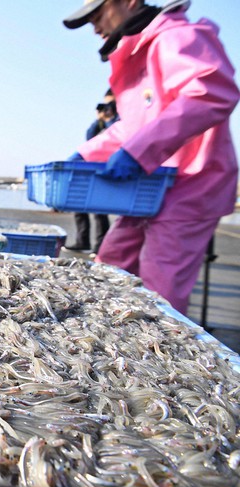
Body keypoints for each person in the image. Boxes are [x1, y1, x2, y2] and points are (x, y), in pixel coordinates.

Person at [63, 0, 239, 314]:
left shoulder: (176, 37)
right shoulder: (138, 53)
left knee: (161, 289)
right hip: (147, 189)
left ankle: (162, 353)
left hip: (190, 187)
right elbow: (132, 127)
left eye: (98, 14)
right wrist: (86, 154)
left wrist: (137, 152)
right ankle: (104, 336)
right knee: (111, 263)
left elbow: (211, 92)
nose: (94, 27)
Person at [65, 88, 118, 254]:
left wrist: (109, 119)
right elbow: (89, 137)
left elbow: (116, 135)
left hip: (108, 168)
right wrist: (99, 120)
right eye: (105, 104)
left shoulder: (121, 120)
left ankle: (100, 246)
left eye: (111, 104)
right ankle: (83, 241)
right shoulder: (102, 122)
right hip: (92, 166)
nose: (108, 108)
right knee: (79, 204)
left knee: (99, 209)